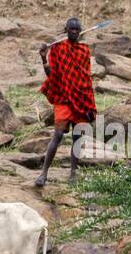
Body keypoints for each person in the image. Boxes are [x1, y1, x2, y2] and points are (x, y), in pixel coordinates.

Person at [36, 17, 96, 187]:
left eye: (78, 30)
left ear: (80, 31)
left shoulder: (84, 51)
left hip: (81, 99)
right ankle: (44, 174)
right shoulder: (57, 49)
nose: (75, 32)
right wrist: (44, 59)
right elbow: (52, 76)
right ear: (66, 30)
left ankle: (73, 174)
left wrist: (89, 103)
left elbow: (85, 78)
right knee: (58, 135)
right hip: (63, 99)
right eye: (72, 29)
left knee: (78, 138)